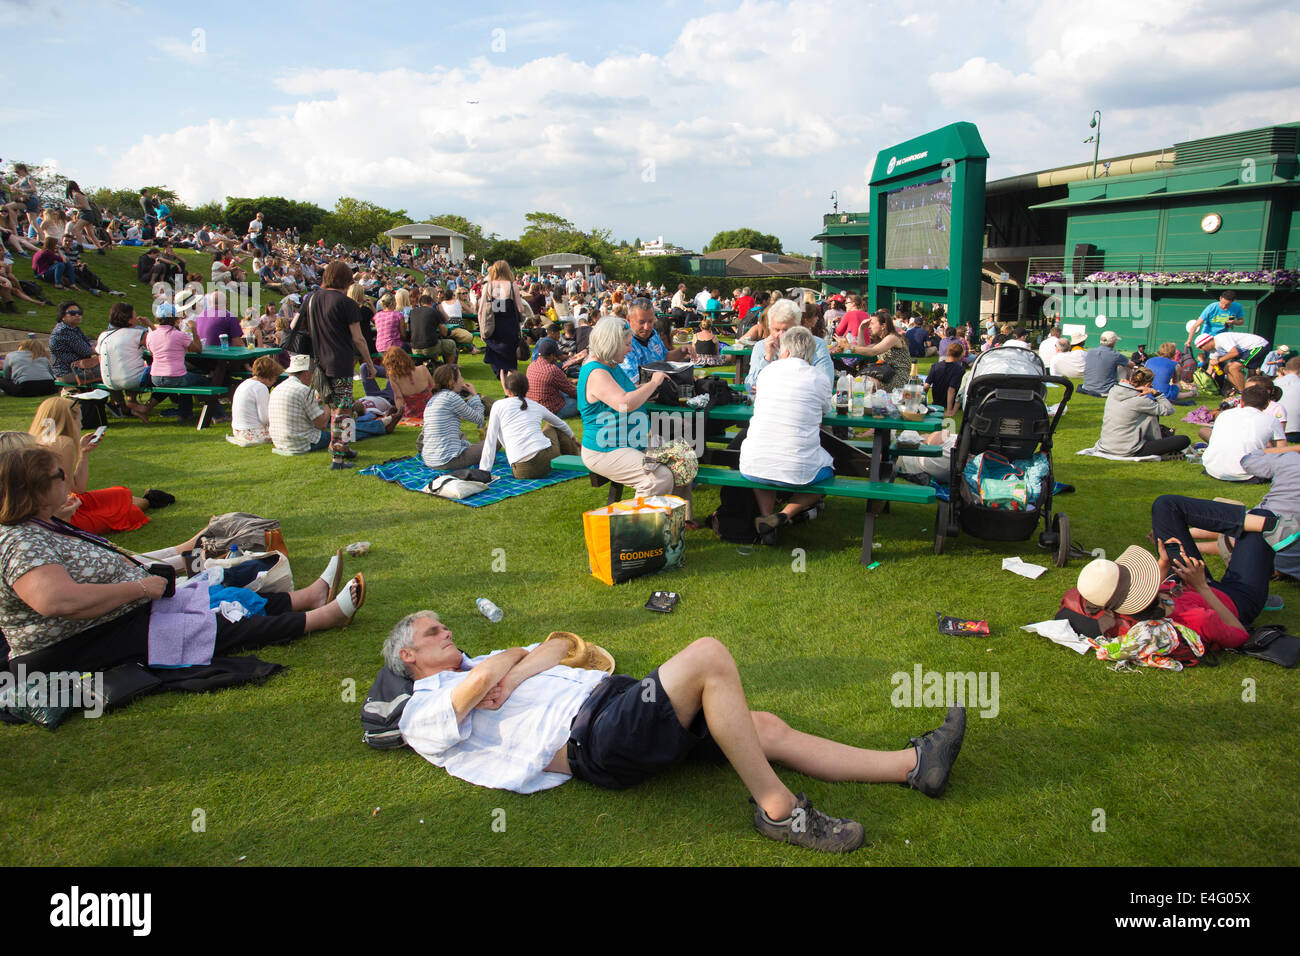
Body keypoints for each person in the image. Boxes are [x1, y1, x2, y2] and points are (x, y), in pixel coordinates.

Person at [388, 612, 967, 853]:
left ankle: (914, 765)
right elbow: (462, 704)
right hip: (597, 739)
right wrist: (493, 673)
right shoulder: (420, 710)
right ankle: (779, 812)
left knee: (762, 726)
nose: (448, 634)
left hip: (615, 705)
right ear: (410, 657)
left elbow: (563, 645)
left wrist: (508, 676)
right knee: (708, 657)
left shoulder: (483, 664)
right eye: (435, 633)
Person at [0, 445, 367, 677]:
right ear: (33, 490)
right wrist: (140, 588)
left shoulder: (40, 526)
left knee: (210, 593)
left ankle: (306, 599)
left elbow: (121, 560)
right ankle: (319, 618)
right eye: (60, 474)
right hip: (80, 642)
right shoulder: (21, 540)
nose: (68, 480)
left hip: (118, 614)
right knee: (207, 623)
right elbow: (54, 601)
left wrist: (175, 561)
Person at [579, 316, 693, 506]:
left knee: (682, 459)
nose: (630, 349)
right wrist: (654, 382)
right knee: (657, 478)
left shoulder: (611, 365)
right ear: (612, 343)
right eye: (626, 344)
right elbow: (625, 403)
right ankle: (638, 529)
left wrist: (653, 390)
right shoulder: (596, 372)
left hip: (630, 440)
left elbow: (630, 393)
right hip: (605, 449)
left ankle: (679, 520)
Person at [738, 327, 833, 537]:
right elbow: (827, 409)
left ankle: (767, 518)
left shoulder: (767, 372)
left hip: (752, 461)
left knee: (763, 468)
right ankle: (786, 514)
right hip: (797, 466)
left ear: (787, 351)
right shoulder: (819, 378)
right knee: (828, 476)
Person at [28, 397, 172, 535]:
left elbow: (74, 488)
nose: (81, 424)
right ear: (69, 419)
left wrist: (83, 452)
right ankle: (150, 499)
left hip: (51, 510)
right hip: (60, 516)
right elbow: (74, 490)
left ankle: (149, 499)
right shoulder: (64, 443)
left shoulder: (35, 441)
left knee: (120, 494)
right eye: (79, 419)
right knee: (130, 512)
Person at [305, 262, 377, 470]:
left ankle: (344, 447)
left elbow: (294, 326)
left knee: (336, 407)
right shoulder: (347, 304)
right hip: (341, 362)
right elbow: (358, 338)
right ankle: (338, 457)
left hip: (320, 362)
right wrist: (369, 363)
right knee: (342, 410)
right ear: (346, 280)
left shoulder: (312, 299)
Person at [479, 372, 580, 479]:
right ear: (527, 389)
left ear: (507, 390)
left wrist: (484, 471)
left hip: (521, 471)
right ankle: (576, 458)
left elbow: (491, 440)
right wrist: (574, 438)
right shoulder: (535, 405)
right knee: (551, 426)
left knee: (550, 428)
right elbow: (561, 424)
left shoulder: (498, 405)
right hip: (546, 461)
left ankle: (574, 458)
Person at [1094, 366, 1190, 458]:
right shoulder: (1141, 400)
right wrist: (1156, 393)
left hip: (1106, 444)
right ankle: (1164, 454)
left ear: (1131, 378)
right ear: (1147, 385)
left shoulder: (1113, 391)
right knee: (1183, 440)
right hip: (1128, 449)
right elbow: (1169, 410)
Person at [744, 298, 833, 394]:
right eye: (776, 330)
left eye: (787, 330)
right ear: (769, 328)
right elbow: (751, 388)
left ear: (798, 326)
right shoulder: (762, 346)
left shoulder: (817, 345)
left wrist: (770, 386)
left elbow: (825, 386)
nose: (781, 335)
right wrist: (768, 358)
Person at [1201, 384, 1287, 481]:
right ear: (1267, 404)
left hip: (1212, 469)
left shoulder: (1224, 414)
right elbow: (1282, 451)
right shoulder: (1271, 421)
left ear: (1241, 402)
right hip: (1247, 474)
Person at [146, 304, 208, 421]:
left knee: (185, 378)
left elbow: (151, 351)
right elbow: (198, 349)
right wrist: (194, 330)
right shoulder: (179, 335)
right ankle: (218, 415)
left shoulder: (151, 335)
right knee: (203, 380)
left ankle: (185, 414)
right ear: (175, 318)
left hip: (155, 377)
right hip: (175, 376)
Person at [420, 364, 486, 470]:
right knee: (495, 440)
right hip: (448, 461)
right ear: (452, 380)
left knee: (460, 435)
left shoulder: (433, 399)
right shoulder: (451, 398)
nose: (462, 380)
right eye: (460, 377)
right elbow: (479, 418)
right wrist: (475, 395)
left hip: (429, 459)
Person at [96, 303, 155, 421]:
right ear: (128, 318)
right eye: (134, 315)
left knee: (129, 367)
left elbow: (100, 357)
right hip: (132, 380)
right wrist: (150, 325)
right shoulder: (138, 334)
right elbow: (160, 344)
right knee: (167, 374)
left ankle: (130, 405)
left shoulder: (103, 335)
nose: (136, 317)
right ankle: (145, 407)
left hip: (109, 381)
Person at [269, 353, 333, 455]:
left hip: (279, 441)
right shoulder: (304, 390)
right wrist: (329, 403)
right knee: (343, 433)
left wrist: (317, 403)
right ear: (306, 374)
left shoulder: (278, 388)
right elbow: (322, 424)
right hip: (301, 443)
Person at [618, 299, 694, 382]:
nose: (647, 327)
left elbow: (665, 357)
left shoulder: (653, 334)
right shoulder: (625, 345)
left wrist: (681, 351)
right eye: (641, 322)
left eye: (650, 321)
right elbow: (634, 385)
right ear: (629, 320)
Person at [478, 260, 524, 391]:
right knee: (510, 362)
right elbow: (520, 308)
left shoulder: (488, 286)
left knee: (500, 363)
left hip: (493, 328)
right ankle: (513, 390)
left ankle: (506, 390)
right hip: (509, 327)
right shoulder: (512, 285)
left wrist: (482, 331)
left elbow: (480, 310)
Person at [837, 309, 910, 389]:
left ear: (883, 326)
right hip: (884, 375)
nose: (869, 327)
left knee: (862, 383)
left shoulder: (892, 338)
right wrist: (861, 329)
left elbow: (873, 351)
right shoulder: (882, 340)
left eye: (872, 323)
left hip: (896, 378)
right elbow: (863, 349)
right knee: (858, 382)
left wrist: (849, 347)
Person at [228, 355, 284, 447]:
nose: (275, 380)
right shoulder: (260, 388)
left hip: (238, 431)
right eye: (275, 377)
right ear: (269, 375)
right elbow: (265, 418)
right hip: (252, 432)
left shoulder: (245, 383)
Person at [1195, 329, 1270, 395]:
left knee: (1234, 368)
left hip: (1258, 345)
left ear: (1207, 342)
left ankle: (1243, 394)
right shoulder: (1213, 351)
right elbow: (1210, 368)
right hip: (1245, 350)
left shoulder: (1221, 339)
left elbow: (1235, 353)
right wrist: (1201, 383)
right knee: (1227, 369)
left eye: (1201, 347)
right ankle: (1238, 390)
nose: (1202, 349)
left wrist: (1218, 360)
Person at [48, 301, 99, 384]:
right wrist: (99, 348)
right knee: (108, 374)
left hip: (79, 369)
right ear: (62, 316)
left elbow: (89, 341)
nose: (77, 315)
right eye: (72, 313)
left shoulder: (74, 329)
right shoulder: (64, 331)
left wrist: (93, 346)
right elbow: (86, 351)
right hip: (67, 373)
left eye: (79, 313)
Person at [382, 346, 435, 425]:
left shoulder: (393, 377)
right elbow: (433, 387)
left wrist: (399, 415)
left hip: (413, 413)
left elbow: (398, 397)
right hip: (431, 410)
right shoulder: (423, 369)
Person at [526, 338, 579, 418]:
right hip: (552, 410)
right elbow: (572, 391)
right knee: (581, 402)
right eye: (555, 355)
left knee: (565, 393)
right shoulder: (553, 370)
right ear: (551, 355)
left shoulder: (531, 366)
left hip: (534, 406)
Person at [1079, 330, 1129, 397]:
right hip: (1105, 390)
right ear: (1113, 342)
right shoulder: (1116, 355)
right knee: (1125, 366)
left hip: (1087, 388)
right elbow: (1131, 365)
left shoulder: (1090, 352)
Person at [926, 342, 966, 418]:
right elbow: (951, 389)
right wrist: (949, 410)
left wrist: (921, 403)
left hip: (937, 402)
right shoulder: (960, 370)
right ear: (961, 355)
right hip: (950, 402)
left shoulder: (935, 366)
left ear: (947, 352)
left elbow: (927, 386)